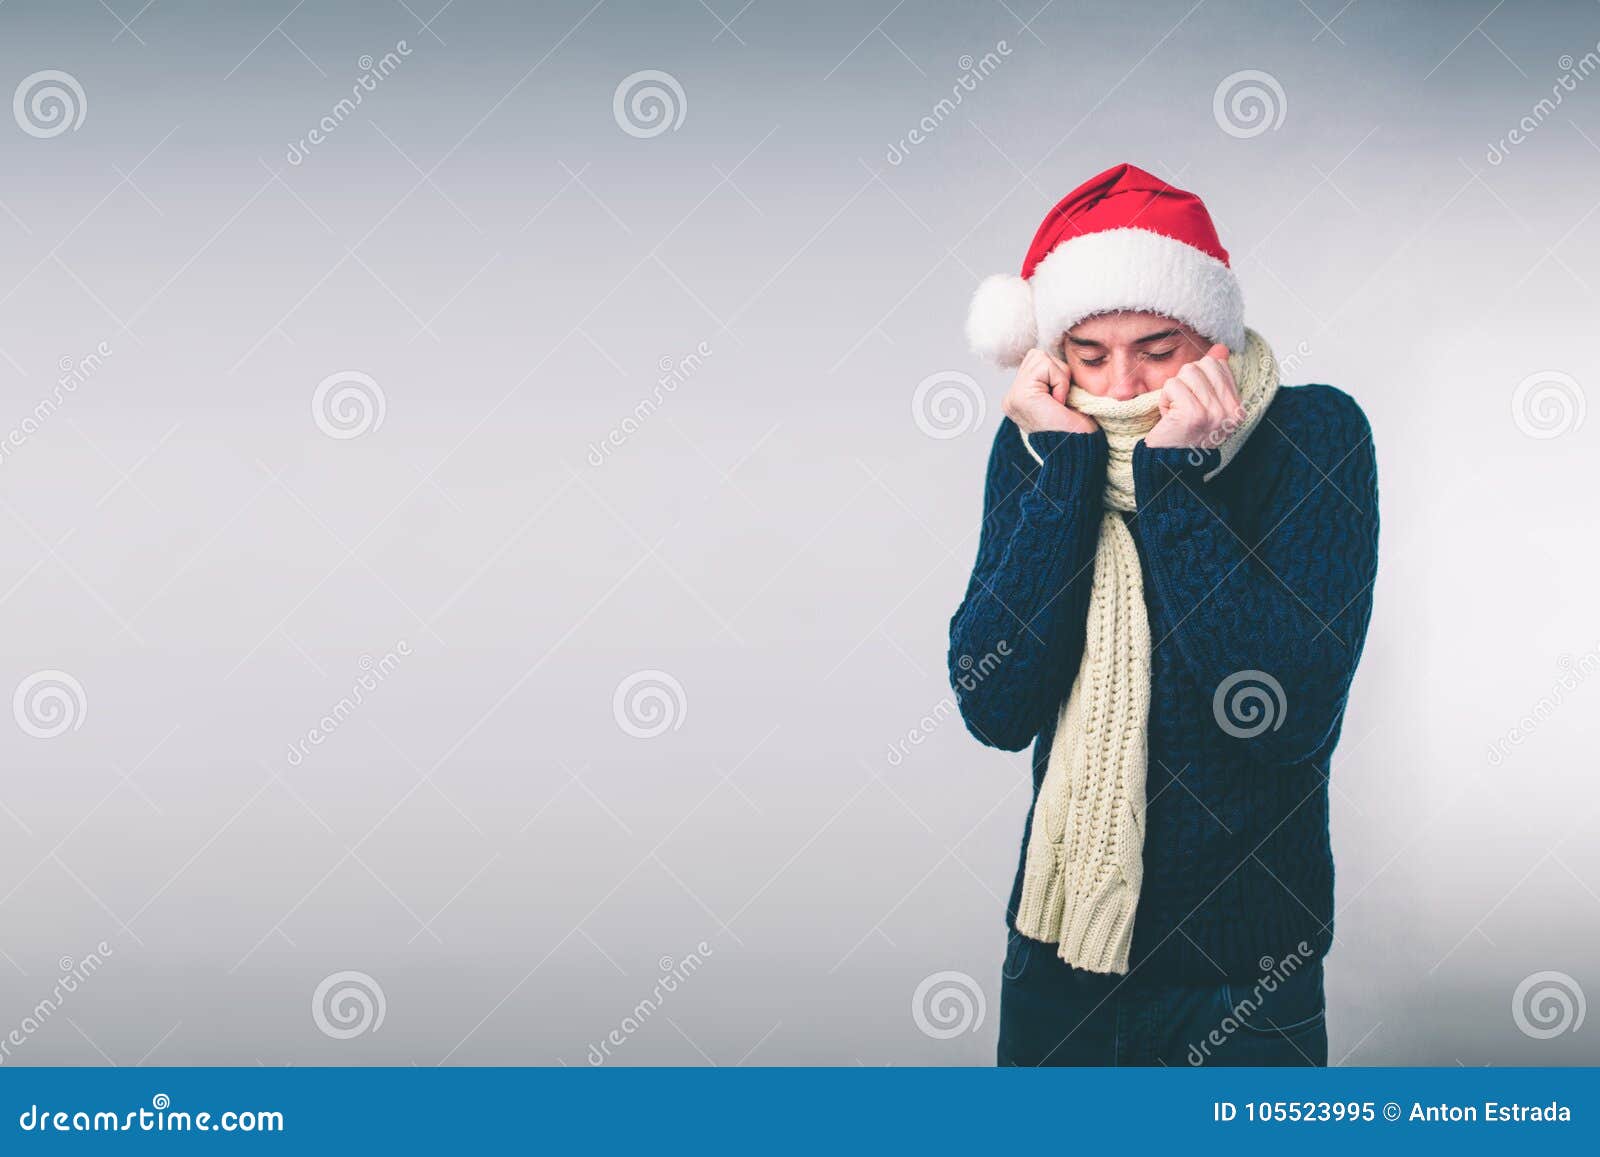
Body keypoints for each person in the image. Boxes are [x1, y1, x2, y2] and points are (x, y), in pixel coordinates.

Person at [948, 162, 1379, 1066]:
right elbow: (996, 703)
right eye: (1089, 354)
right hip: (1059, 964)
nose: (1120, 383)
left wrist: (1175, 484)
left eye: (1157, 346)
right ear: (1050, 356)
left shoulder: (1317, 437)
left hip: (1246, 973)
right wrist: (1064, 469)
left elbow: (1281, 713)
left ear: (1213, 337)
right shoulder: (1044, 446)